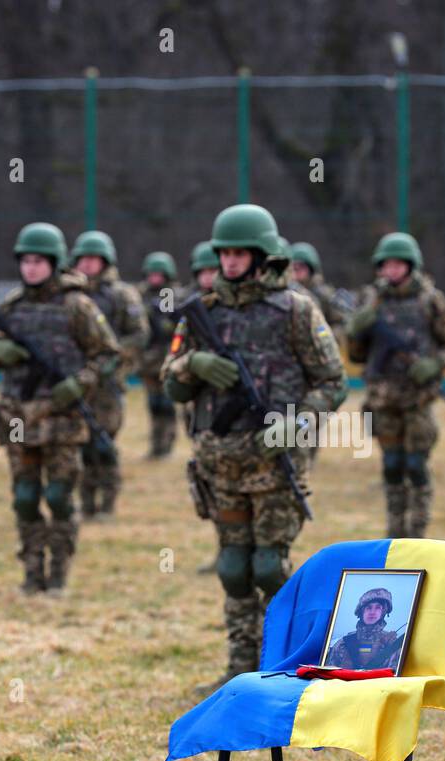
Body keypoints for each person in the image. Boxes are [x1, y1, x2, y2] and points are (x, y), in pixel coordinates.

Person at [163, 204, 346, 689]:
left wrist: (300, 421)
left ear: (262, 255)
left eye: (240, 252)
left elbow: (332, 381)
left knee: (270, 565)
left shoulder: (296, 310)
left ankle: (287, 662)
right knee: (232, 567)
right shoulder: (202, 312)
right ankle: (239, 668)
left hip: (274, 462)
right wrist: (193, 366)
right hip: (220, 464)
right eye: (224, 252)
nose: (229, 261)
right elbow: (171, 382)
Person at [0, 222, 119, 592]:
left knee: (58, 496)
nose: (30, 268)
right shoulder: (12, 306)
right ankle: (31, 573)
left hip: (63, 418)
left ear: (54, 263)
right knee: (25, 498)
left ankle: (58, 572)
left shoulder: (78, 306)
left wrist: (80, 383)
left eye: (38, 261)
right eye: (25, 260)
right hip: (18, 418)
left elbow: (107, 354)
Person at [347, 232, 445, 537]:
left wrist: (434, 363)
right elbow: (357, 354)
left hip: (418, 400)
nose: (392, 270)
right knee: (392, 465)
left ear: (412, 266)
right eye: (387, 264)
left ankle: (417, 531)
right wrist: (357, 330)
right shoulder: (370, 300)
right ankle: (395, 530)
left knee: (415, 465)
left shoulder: (430, 300)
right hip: (382, 400)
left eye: (399, 264)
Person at [71, 230, 147, 519]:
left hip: (108, 383)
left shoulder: (121, 295)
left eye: (94, 259)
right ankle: (86, 502)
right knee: (80, 444)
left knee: (104, 443)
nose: (88, 265)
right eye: (83, 259)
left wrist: (113, 357)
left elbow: (138, 335)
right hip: (77, 381)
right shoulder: (72, 295)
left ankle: (108, 502)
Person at [138, 251, 181, 458]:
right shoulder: (142, 295)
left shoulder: (169, 295)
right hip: (148, 360)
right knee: (153, 404)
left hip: (166, 359)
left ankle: (166, 445)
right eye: (152, 274)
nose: (155, 278)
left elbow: (170, 327)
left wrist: (162, 320)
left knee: (167, 405)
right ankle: (156, 445)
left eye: (159, 274)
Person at [325, 587, 404, 670]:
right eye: (368, 607)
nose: (372, 612)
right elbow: (328, 673)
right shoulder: (343, 643)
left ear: (383, 612)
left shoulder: (392, 644)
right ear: (361, 612)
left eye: (378, 607)